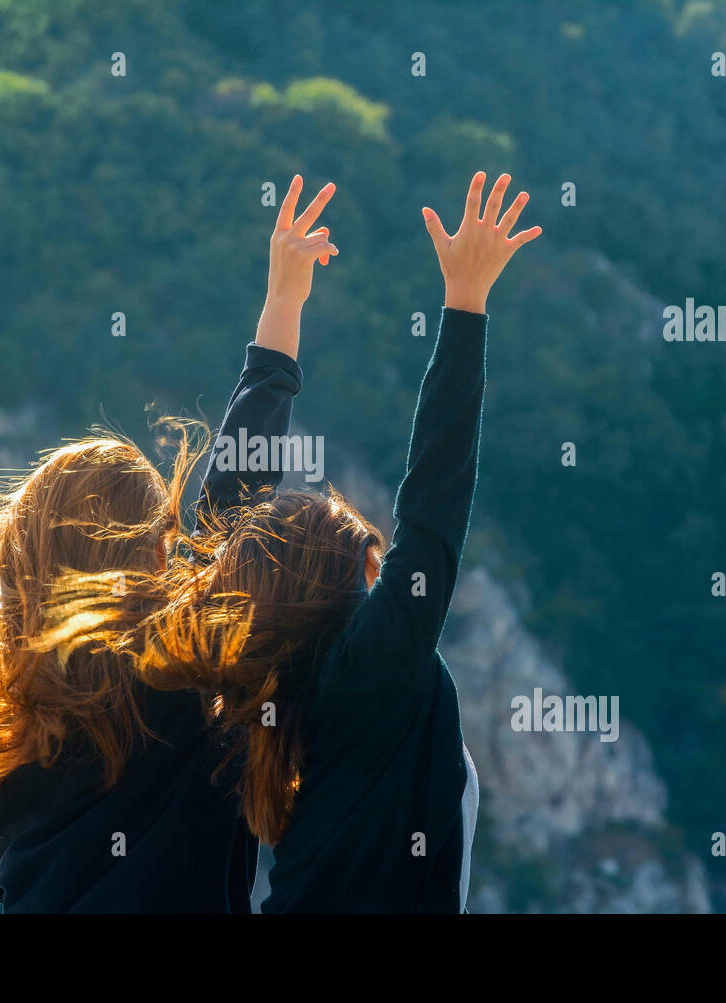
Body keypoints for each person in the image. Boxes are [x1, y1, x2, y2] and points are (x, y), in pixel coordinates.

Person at [0, 176, 340, 913]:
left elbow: (226, 506)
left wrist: (280, 307)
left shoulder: (13, 746)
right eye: (160, 543)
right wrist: (283, 303)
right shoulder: (176, 684)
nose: (173, 560)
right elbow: (233, 500)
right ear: (133, 560)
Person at [184, 172, 541, 911]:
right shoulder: (371, 668)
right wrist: (465, 303)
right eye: (373, 560)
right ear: (353, 574)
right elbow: (435, 498)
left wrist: (283, 305)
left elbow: (223, 524)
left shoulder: (258, 669)